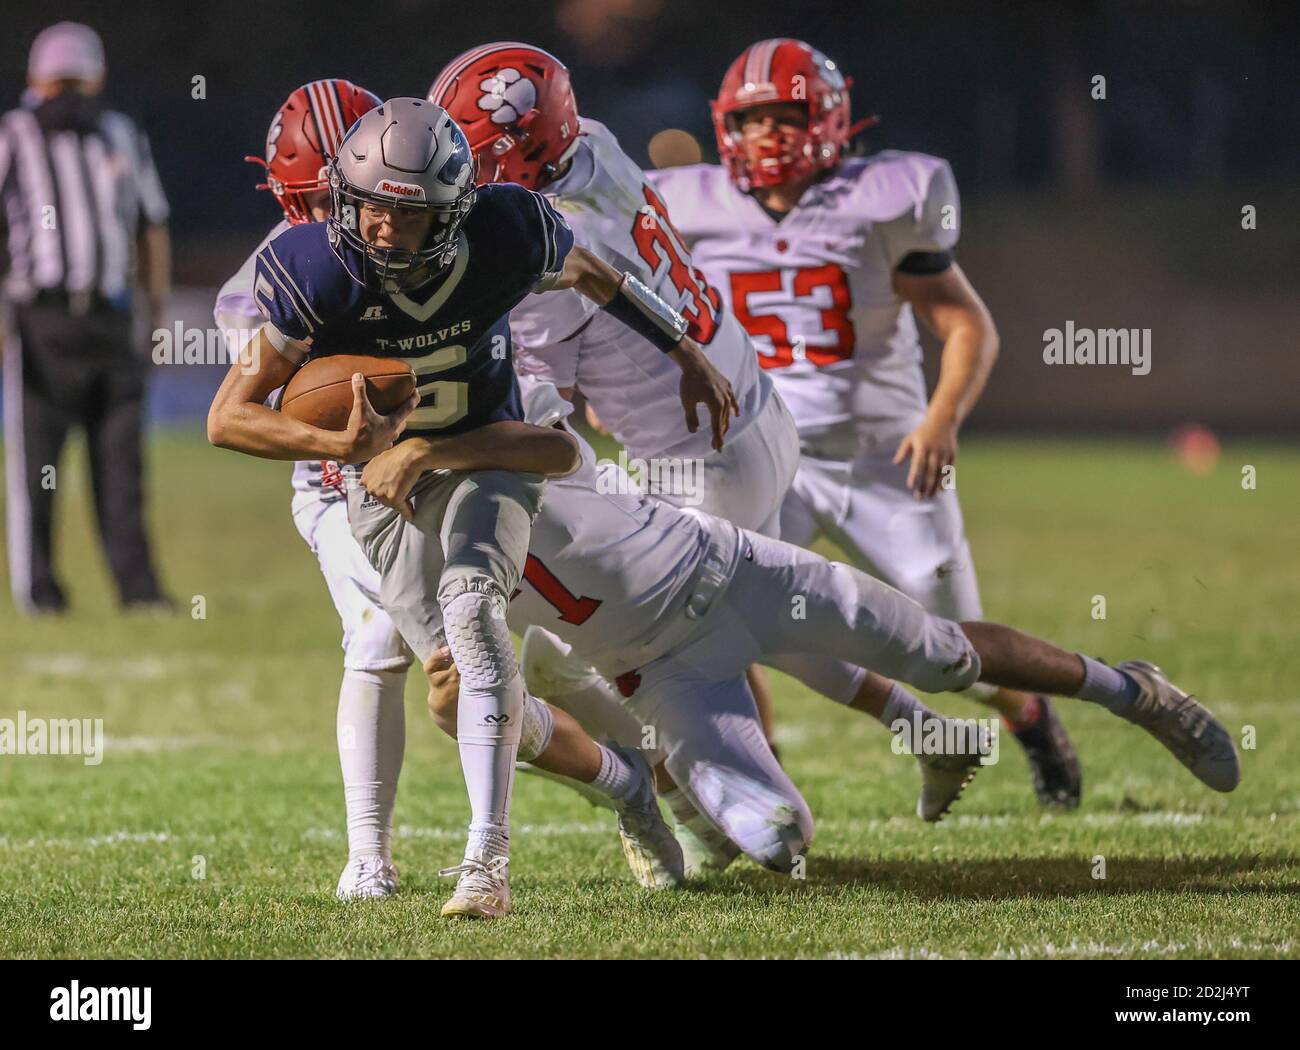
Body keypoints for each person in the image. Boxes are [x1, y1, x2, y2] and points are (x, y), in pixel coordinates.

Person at [207, 98, 736, 918]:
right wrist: (338, 443)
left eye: (406, 213)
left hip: (490, 451)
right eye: (368, 207)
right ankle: (622, 779)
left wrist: (684, 347)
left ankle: (485, 863)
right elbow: (227, 417)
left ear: (452, 211)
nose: (382, 229)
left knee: (475, 612)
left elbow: (595, 273)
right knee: (454, 693)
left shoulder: (507, 230)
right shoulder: (312, 269)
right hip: (385, 484)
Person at [412, 377, 1240, 876]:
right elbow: (461, 680)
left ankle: (1131, 691)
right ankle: (691, 812)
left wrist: (429, 452)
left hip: (738, 575)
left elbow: (554, 450)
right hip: (661, 673)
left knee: (944, 654)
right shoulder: (389, 540)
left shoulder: (509, 406)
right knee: (779, 840)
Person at [648, 38, 1083, 808]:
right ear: (725, 126)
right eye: (750, 119)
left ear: (828, 118)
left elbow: (967, 324)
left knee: (954, 649)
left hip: (886, 456)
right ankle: (758, 784)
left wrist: (942, 418)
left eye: (785, 116)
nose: (766, 134)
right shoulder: (686, 205)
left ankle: (1028, 715)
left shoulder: (883, 197)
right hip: (764, 454)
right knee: (714, 608)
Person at [429, 42, 798, 754]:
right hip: (752, 407)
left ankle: (703, 791)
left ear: (527, 150)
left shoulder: (549, 249)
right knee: (760, 620)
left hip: (697, 464)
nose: (462, 175)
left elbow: (545, 414)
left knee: (586, 656)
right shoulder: (593, 142)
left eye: (476, 158)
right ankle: (892, 726)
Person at [1, 21, 171, 614]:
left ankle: (139, 591)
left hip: (109, 319)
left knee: (121, 464)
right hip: (42, 319)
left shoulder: (120, 134)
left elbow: (150, 224)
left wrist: (153, 312)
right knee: (37, 466)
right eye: (64, 84)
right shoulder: (14, 135)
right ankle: (40, 591)